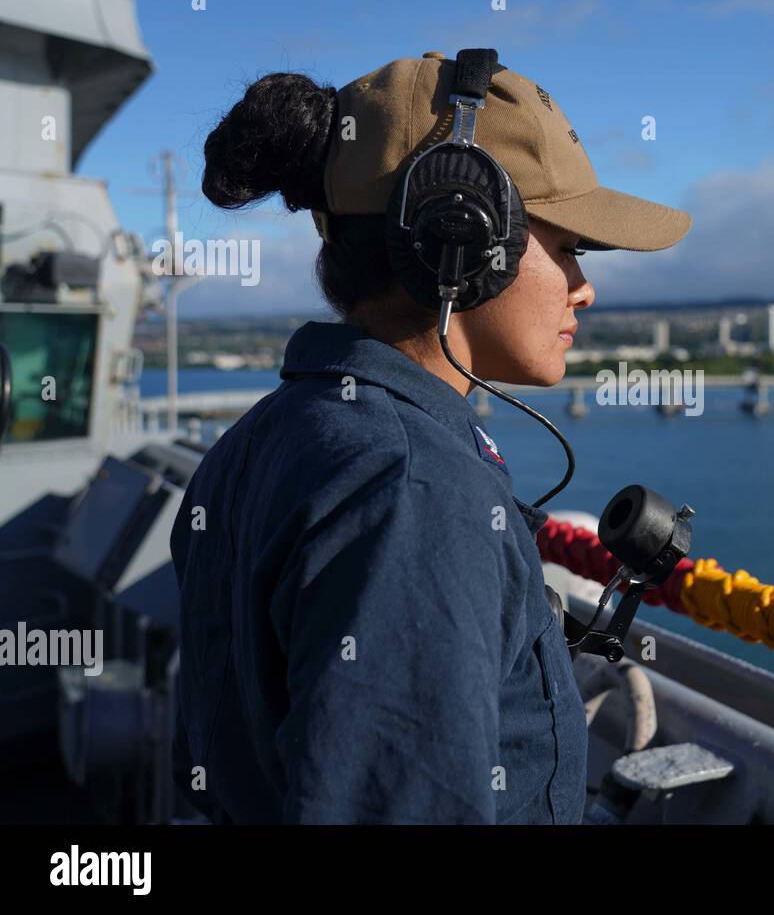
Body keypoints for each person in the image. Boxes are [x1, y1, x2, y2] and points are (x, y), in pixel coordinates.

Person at [169, 50, 691, 824]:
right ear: (462, 239)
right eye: (570, 245)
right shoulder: (413, 495)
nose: (587, 286)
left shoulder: (262, 438)